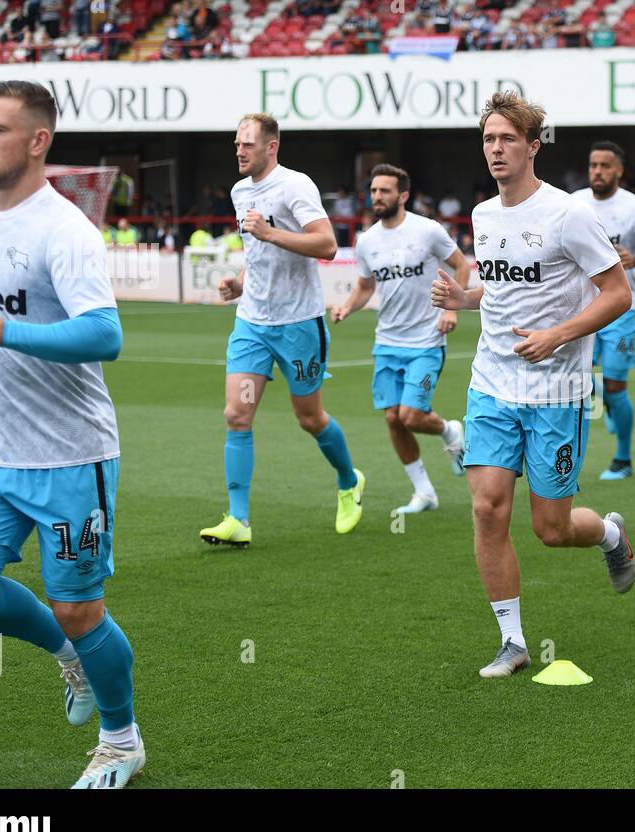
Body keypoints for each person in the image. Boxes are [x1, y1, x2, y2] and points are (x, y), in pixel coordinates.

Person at [0, 80, 140, 787]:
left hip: (72, 456)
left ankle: (121, 738)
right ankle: (65, 653)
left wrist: (10, 331)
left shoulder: (63, 228)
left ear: (38, 141)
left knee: (79, 605)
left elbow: (106, 333)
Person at [429, 91, 635, 678]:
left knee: (551, 528)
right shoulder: (483, 215)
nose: (496, 149)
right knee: (488, 508)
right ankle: (512, 641)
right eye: (489, 139)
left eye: (507, 140)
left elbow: (617, 294)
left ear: (533, 147)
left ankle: (610, 534)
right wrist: (461, 298)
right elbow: (499, 292)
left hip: (555, 392)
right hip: (491, 383)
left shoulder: (569, 214)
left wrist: (557, 335)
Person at [199, 113, 363, 547]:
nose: (239, 150)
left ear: (271, 147)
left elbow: (326, 245)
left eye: (247, 144)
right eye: (236, 143)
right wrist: (239, 281)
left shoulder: (295, 186)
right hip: (253, 324)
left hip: (298, 326)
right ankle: (238, 520)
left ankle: (349, 481)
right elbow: (256, 255)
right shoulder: (238, 191)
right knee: (238, 413)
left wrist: (270, 233)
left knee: (309, 417)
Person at [335, 163, 470, 514]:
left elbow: (462, 266)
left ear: (403, 195)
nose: (376, 197)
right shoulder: (366, 240)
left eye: (384, 191)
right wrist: (348, 307)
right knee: (393, 419)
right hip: (387, 343)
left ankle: (450, 431)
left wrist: (451, 309)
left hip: (425, 341)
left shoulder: (427, 230)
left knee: (410, 415)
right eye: (374, 191)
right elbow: (366, 287)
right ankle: (424, 492)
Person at [572, 141, 635, 481]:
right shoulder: (573, 204)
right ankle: (606, 409)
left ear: (619, 171)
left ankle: (622, 459)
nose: (598, 171)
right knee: (577, 379)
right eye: (593, 165)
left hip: (623, 307)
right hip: (582, 304)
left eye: (605, 166)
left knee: (614, 385)